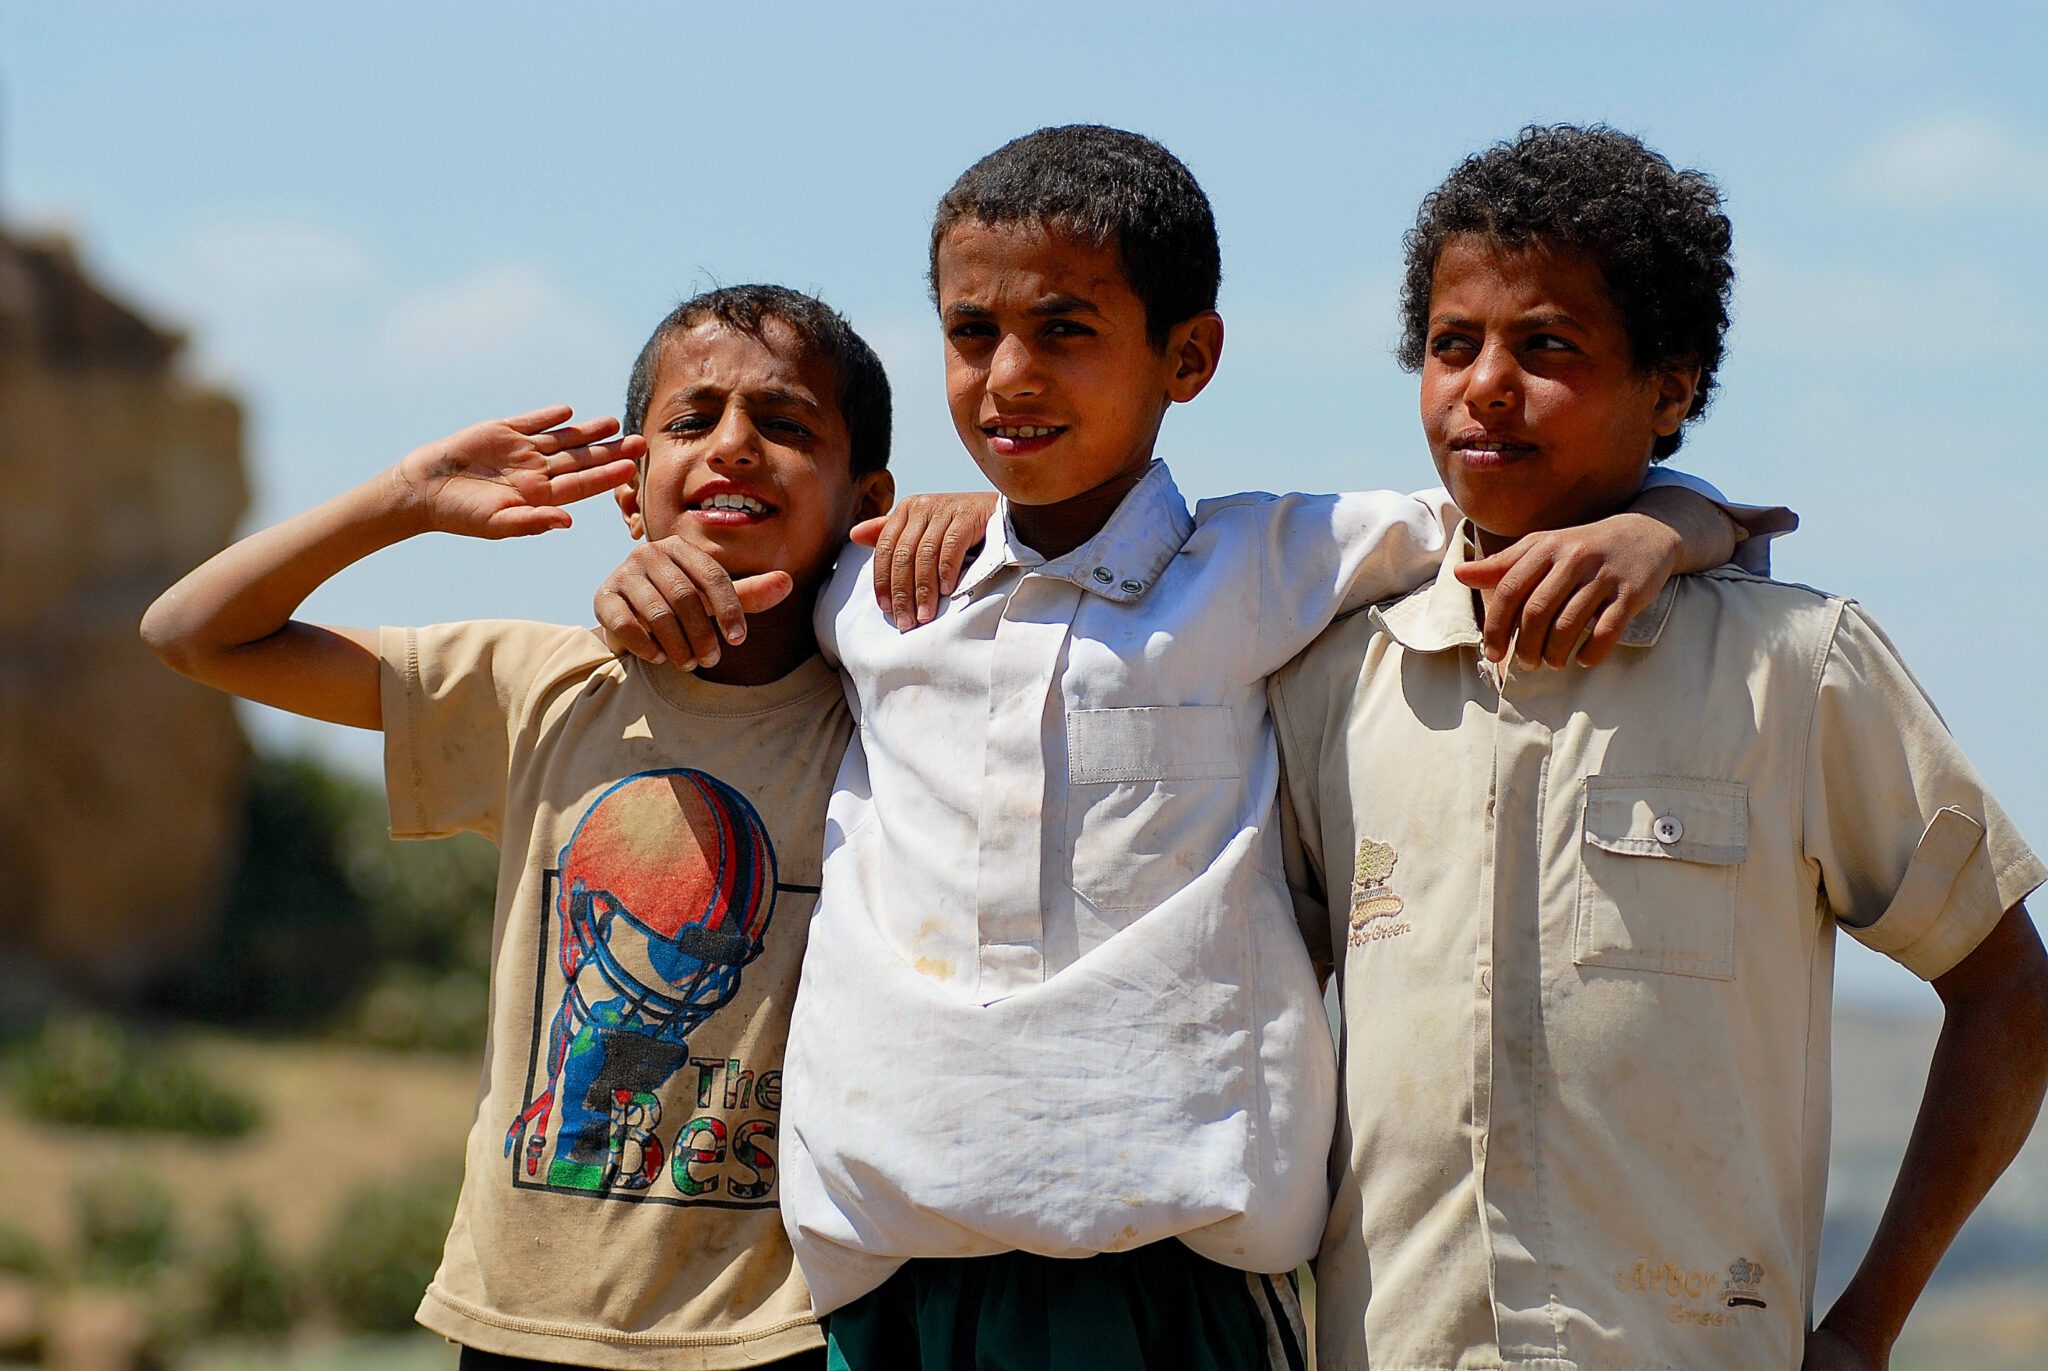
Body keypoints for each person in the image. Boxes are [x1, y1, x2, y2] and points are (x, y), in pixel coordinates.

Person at [595, 125, 1772, 1371]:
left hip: (1174, 1273)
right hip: (889, 1274)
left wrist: (1671, 525)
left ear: (1189, 355)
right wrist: (640, 578)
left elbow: (1514, 498)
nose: (1008, 377)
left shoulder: (1266, 565)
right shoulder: (875, 594)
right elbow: (714, 574)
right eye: (970, 333)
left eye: (1064, 329)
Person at [1268, 124, 2048, 1371]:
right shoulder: (1334, 678)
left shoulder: (1794, 672)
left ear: (1670, 390)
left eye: (1546, 348)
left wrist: (1861, 1330)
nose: (1483, 386)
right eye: (1449, 344)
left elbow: (2005, 992)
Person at [141, 285, 970, 1370]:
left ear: (865, 496)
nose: (732, 447)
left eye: (784, 424)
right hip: (517, 1323)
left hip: (782, 1333)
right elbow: (194, 633)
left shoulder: (891, 713)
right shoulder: (537, 690)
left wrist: (971, 527)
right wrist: (405, 496)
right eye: (691, 420)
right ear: (629, 494)